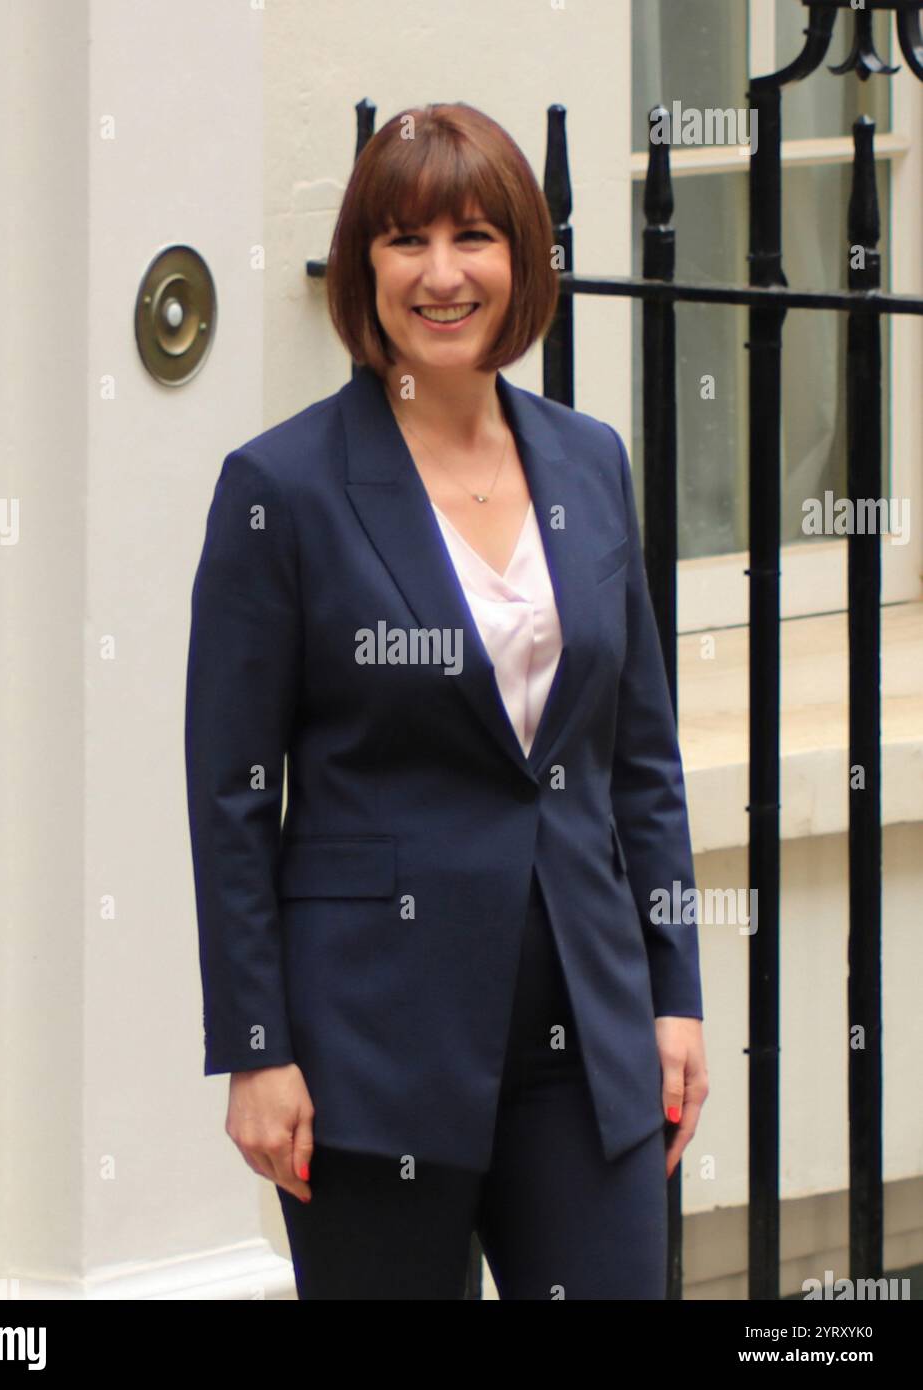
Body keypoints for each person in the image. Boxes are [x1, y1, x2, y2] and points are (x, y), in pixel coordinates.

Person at [185, 102, 709, 1300]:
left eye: (472, 235)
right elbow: (231, 796)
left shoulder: (588, 461)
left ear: (520, 259)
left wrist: (672, 994)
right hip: (374, 1049)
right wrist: (255, 1048)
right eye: (402, 238)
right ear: (362, 265)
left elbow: (640, 758)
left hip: (588, 1039)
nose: (439, 273)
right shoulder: (283, 488)